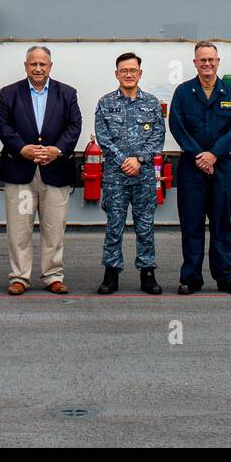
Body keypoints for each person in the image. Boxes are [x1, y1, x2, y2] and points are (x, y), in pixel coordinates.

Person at [0, 45, 82, 295]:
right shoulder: (9, 93)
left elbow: (75, 125)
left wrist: (57, 150)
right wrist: (22, 149)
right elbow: (3, 125)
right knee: (19, 228)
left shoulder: (67, 93)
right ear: (26, 66)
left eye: (43, 64)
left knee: (54, 228)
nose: (38, 68)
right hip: (20, 172)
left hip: (55, 171)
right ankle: (20, 277)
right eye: (33, 64)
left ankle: (52, 275)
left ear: (50, 66)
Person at [168, 40, 231, 295]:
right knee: (191, 224)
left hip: (222, 166)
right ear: (195, 63)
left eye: (211, 59)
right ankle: (191, 278)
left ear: (218, 62)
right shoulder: (183, 92)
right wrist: (200, 156)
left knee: (221, 224)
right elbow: (177, 127)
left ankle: (226, 277)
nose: (207, 64)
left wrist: (213, 155)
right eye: (202, 60)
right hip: (192, 168)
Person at [93, 52, 165, 295]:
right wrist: (125, 160)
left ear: (140, 73)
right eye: (123, 70)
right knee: (114, 225)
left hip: (143, 176)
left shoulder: (153, 103)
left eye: (133, 70)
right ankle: (111, 274)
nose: (128, 74)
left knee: (145, 226)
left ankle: (147, 273)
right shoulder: (105, 103)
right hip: (115, 177)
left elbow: (158, 138)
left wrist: (139, 160)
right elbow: (103, 139)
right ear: (116, 74)